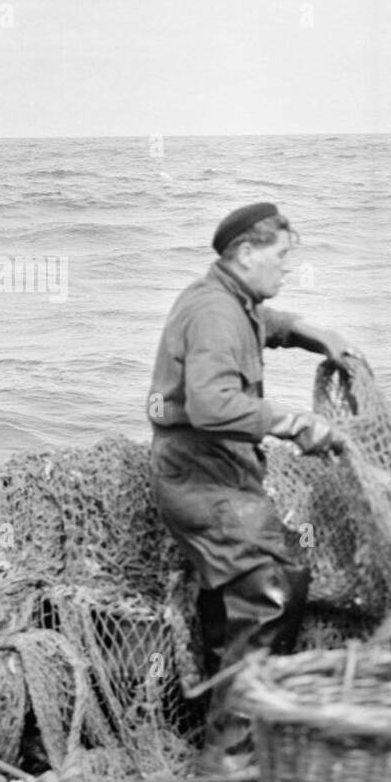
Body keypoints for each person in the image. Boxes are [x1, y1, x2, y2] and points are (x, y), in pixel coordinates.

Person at [147, 201, 356, 743]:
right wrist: (298, 424)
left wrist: (307, 330)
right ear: (245, 252)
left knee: (243, 595)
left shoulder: (224, 299)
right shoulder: (215, 312)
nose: (288, 268)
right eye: (281, 256)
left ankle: (218, 732)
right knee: (275, 588)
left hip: (217, 474)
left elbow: (258, 323)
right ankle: (233, 763)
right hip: (200, 477)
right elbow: (212, 406)